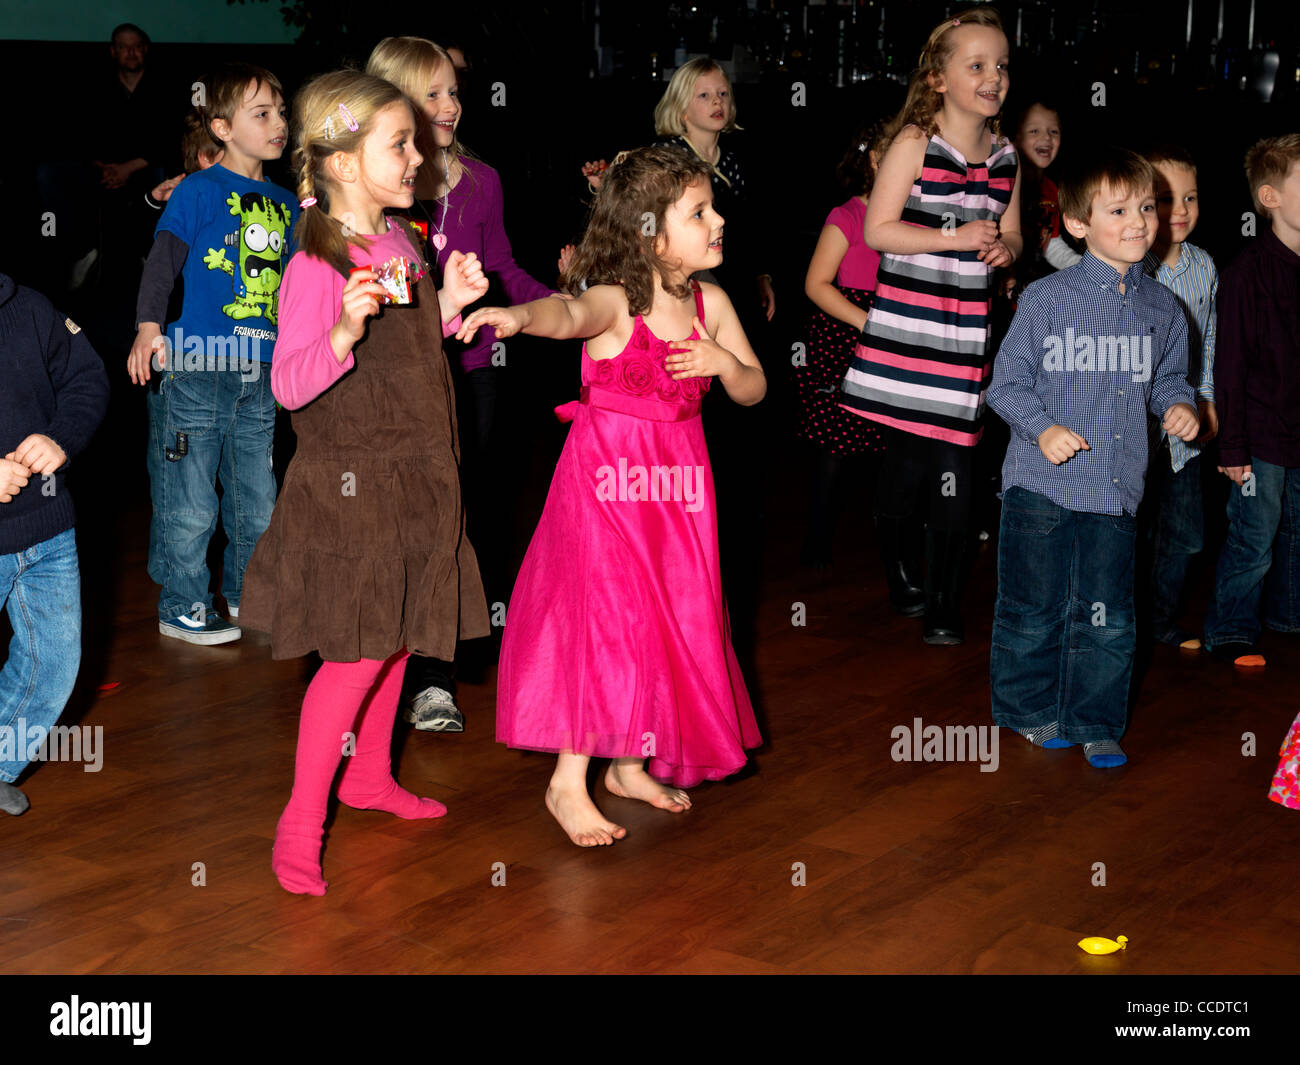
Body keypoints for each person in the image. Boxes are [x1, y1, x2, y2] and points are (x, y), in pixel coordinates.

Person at [456, 146, 765, 847]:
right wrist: (516, 319)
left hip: (680, 495)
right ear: (651, 233)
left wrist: (726, 363)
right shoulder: (618, 301)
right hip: (607, 489)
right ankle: (569, 779)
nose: (718, 219)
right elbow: (567, 314)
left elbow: (755, 388)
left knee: (665, 621)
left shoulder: (710, 303)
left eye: (712, 207)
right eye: (699, 212)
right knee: (612, 625)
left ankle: (628, 763)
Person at [235, 70, 490, 895]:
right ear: (343, 163)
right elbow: (289, 384)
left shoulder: (404, 240)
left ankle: (369, 776)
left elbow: (413, 348)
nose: (419, 154)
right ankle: (300, 820)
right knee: (355, 653)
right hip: (352, 486)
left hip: (420, 472)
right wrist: (342, 328)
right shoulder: (318, 261)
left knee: (407, 630)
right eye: (400, 143)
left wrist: (448, 304)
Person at [366, 36, 557, 732]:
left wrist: (573, 300)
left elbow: (505, 270)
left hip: (470, 379)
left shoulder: (482, 182)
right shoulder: (372, 192)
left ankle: (432, 676)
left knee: (460, 526)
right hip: (389, 388)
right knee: (393, 530)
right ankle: (369, 672)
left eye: (454, 90)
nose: (449, 105)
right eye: (431, 94)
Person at [987, 147, 1199, 768]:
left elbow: (1166, 382)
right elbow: (1005, 385)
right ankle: (1028, 710)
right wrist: (1042, 427)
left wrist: (1179, 406)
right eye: (1119, 210)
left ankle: (1095, 719)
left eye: (1146, 207)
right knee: (1034, 605)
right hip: (1041, 484)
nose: (1139, 222)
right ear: (1077, 225)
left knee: (1108, 614)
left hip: (1116, 487)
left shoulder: (1164, 309)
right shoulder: (1047, 299)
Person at [839, 8, 1022, 644]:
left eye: (1000, 65)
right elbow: (879, 230)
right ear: (938, 77)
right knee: (912, 461)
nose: (993, 77)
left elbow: (1015, 234)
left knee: (959, 464)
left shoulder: (1006, 154)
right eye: (976, 65)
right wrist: (958, 236)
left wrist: (1005, 250)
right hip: (908, 330)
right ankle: (899, 573)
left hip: (966, 335)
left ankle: (944, 602)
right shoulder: (915, 141)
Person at [126, 63, 299, 644]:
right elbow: (162, 262)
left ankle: (252, 595)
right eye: (262, 114)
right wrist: (149, 328)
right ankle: (182, 605)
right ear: (222, 128)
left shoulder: (287, 203)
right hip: (196, 366)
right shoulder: (198, 190)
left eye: (281, 112)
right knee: (191, 498)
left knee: (258, 499)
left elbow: (298, 285)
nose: (279, 123)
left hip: (261, 370)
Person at [0, 274, 110, 814]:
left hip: (46, 528)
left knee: (55, 662)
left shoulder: (29, 306)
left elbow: (87, 378)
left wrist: (59, 437)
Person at [1202, 133, 1300, 668]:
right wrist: (1233, 447)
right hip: (1259, 433)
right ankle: (1230, 628)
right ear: (1270, 198)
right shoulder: (1245, 272)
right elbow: (1230, 365)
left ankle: (1287, 615)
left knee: (1296, 533)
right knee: (1254, 536)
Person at [794, 121, 887, 571]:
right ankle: (817, 539)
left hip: (894, 333)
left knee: (890, 440)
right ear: (874, 160)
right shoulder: (846, 216)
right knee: (837, 444)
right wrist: (867, 322)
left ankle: (889, 540)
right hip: (845, 334)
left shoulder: (915, 218)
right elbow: (815, 284)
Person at [1138, 144, 1218, 651]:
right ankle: (1121, 625)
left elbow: (1208, 337)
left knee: (1186, 534)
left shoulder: (1204, 266)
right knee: (1132, 531)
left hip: (1184, 428)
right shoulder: (1127, 267)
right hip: (1133, 426)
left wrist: (1207, 397)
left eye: (1190, 197)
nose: (1181, 211)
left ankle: (1160, 621)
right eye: (1166, 200)